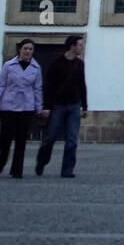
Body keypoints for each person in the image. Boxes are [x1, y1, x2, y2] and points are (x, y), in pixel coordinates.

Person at [0, 38, 43, 178]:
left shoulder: (36, 68)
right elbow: (0, 84)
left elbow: (37, 89)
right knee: (6, 138)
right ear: (20, 50)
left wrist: (39, 107)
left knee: (21, 140)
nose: (27, 51)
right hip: (8, 106)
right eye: (25, 48)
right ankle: (2, 161)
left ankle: (17, 170)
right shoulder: (9, 65)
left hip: (26, 107)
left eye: (30, 49)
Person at [36, 34, 88, 178]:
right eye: (80, 45)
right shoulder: (57, 62)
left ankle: (67, 170)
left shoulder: (79, 64)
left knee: (71, 140)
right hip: (58, 105)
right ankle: (41, 161)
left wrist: (85, 106)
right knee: (50, 137)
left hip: (74, 106)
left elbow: (82, 85)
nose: (82, 47)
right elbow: (48, 86)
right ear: (72, 46)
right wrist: (46, 106)